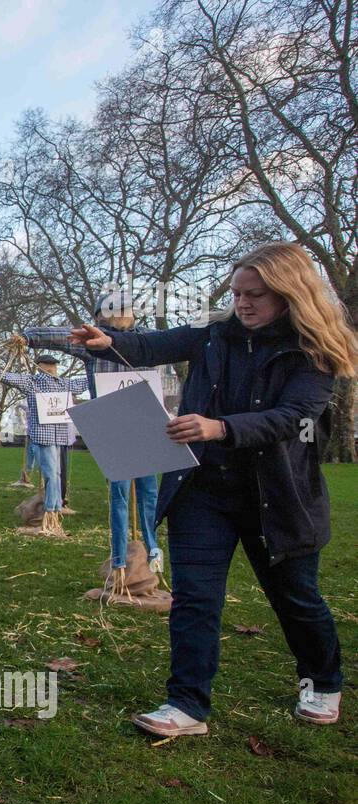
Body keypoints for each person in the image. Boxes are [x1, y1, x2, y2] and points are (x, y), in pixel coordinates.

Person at [70, 242, 358, 735]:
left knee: (295, 598)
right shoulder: (213, 334)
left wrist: (218, 428)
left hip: (278, 497)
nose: (243, 303)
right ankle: (186, 704)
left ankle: (323, 679)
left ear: (290, 294)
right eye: (238, 293)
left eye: (256, 295)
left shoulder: (315, 352)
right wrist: (106, 342)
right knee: (195, 598)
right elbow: (153, 344)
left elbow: (292, 417)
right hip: (203, 490)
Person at [23, 294, 163, 578]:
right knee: (120, 495)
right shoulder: (93, 344)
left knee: (149, 493)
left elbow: (181, 342)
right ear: (99, 316)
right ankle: (121, 563)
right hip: (111, 426)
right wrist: (27, 337)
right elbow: (61, 336)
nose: (118, 315)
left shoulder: (149, 340)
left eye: (123, 309)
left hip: (144, 424)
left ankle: (152, 553)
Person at [0, 354, 88, 535]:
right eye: (51, 365)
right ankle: (51, 514)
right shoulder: (48, 383)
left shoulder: (52, 383)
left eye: (53, 365)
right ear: (44, 366)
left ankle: (52, 515)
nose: (53, 368)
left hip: (53, 435)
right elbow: (87, 381)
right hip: (50, 436)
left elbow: (11, 377)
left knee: (53, 474)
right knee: (53, 475)